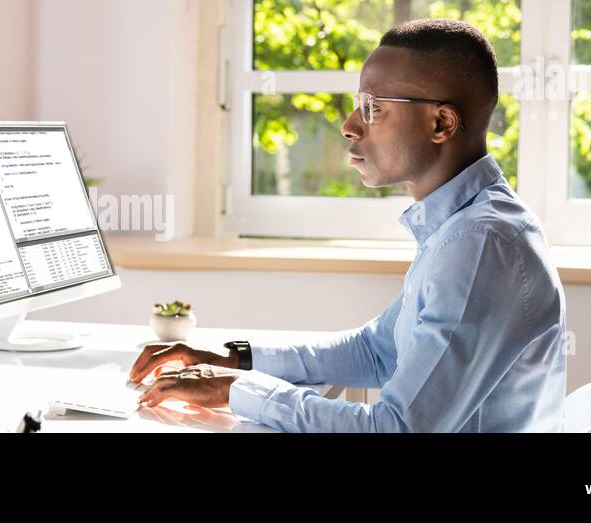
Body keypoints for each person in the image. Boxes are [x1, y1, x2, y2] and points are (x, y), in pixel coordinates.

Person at [127, 19, 567, 432]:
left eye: (373, 108)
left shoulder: (480, 242)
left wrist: (237, 390)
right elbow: (376, 351)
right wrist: (232, 360)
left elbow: (396, 428)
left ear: (441, 122)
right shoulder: (463, 224)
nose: (349, 125)